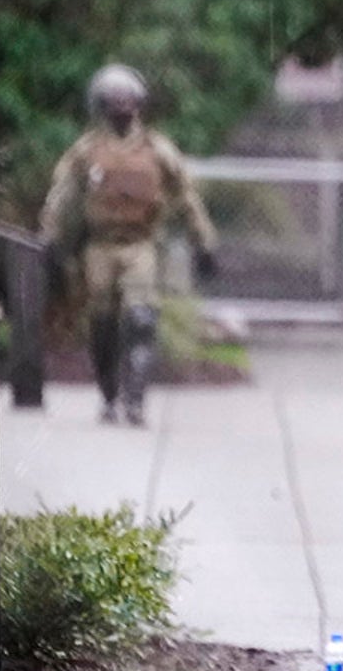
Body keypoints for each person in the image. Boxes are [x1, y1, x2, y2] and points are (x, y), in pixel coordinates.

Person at [39, 64, 219, 426]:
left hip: (140, 246)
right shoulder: (87, 151)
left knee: (140, 319)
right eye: (115, 101)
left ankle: (135, 399)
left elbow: (185, 196)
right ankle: (109, 392)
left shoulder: (157, 149)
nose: (124, 108)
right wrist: (50, 241)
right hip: (100, 248)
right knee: (102, 323)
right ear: (101, 106)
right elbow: (62, 197)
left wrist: (204, 242)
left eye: (130, 100)